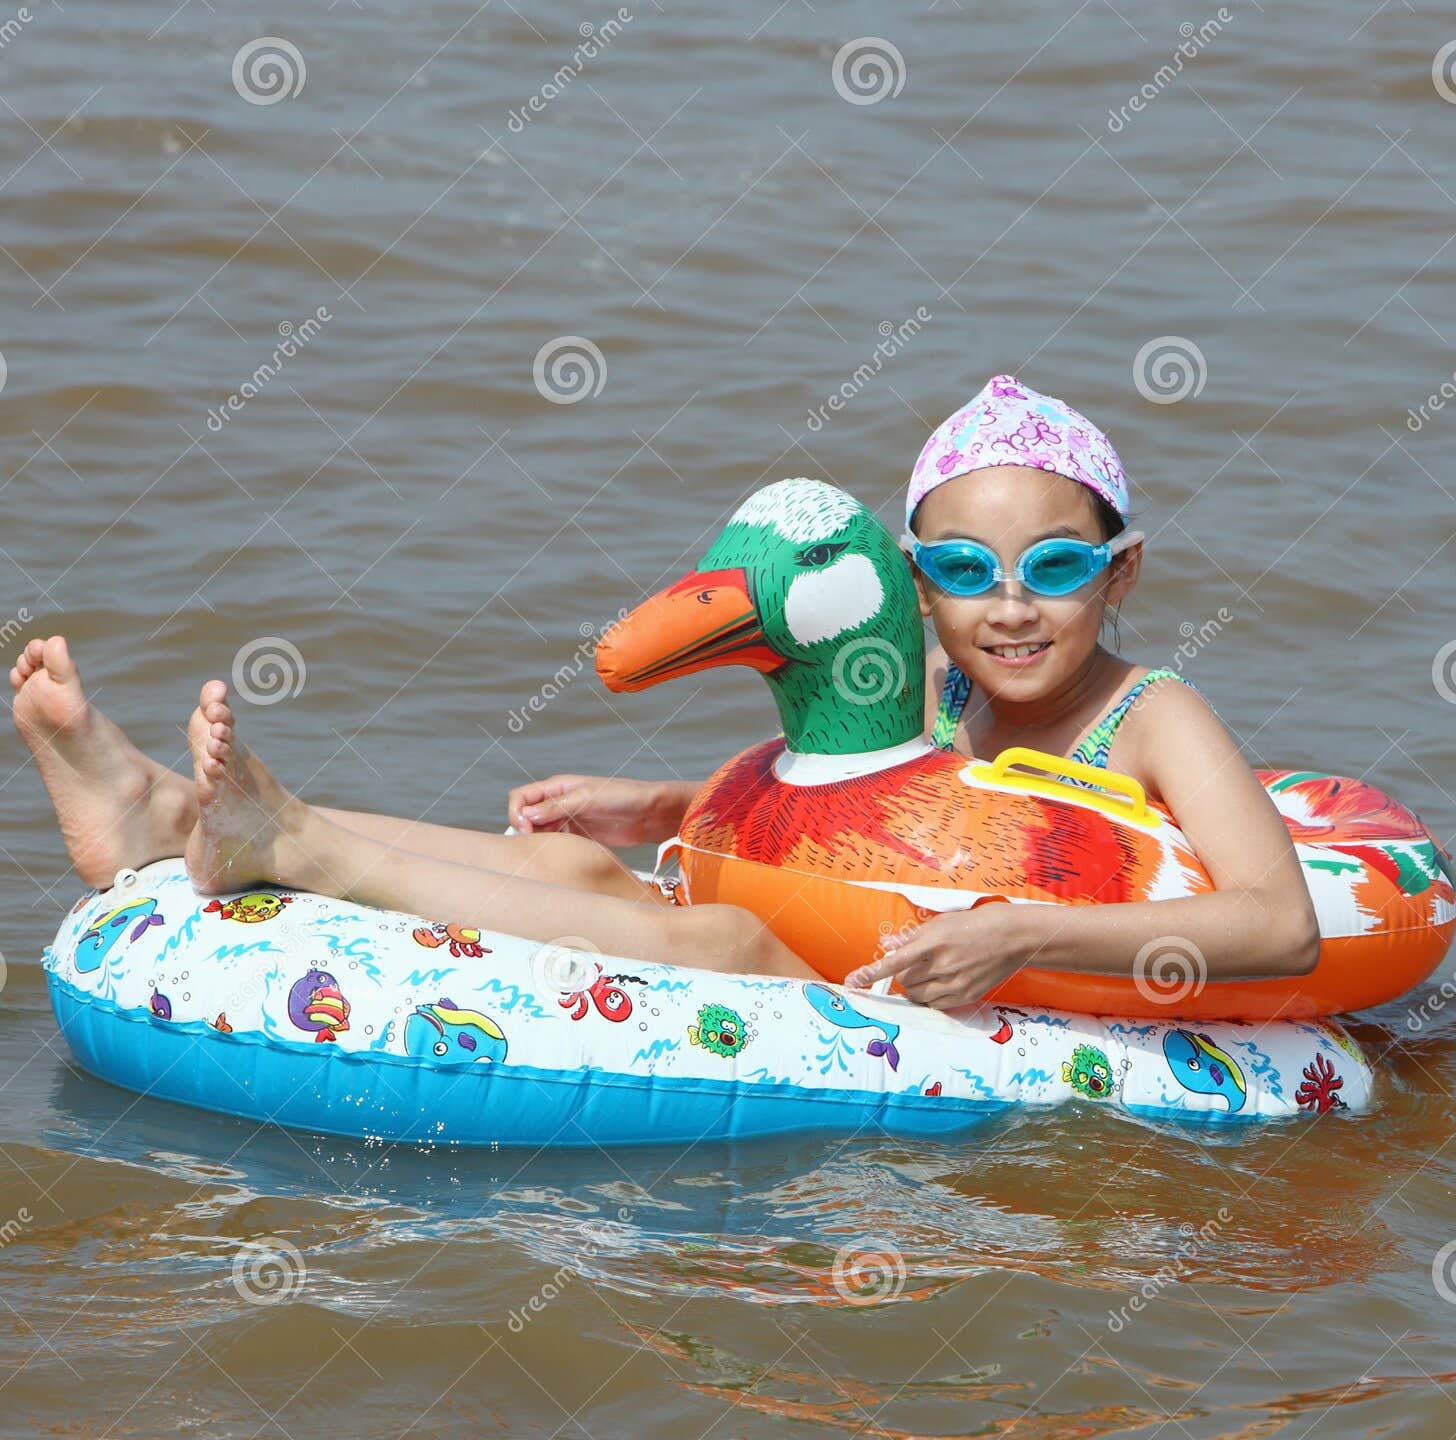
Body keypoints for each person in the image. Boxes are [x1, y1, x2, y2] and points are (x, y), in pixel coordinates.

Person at [509, 373, 1321, 1010]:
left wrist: (1024, 935)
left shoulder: (1152, 719)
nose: (1011, 610)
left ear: (1121, 572)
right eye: (966, 570)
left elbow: (1283, 926)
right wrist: (660, 808)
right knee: (585, 877)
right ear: (918, 587)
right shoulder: (941, 693)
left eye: (1056, 567)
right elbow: (846, 816)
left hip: (1089, 1005)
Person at [8, 636, 809, 980]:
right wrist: (668, 809)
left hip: (901, 995)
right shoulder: (924, 680)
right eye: (933, 568)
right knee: (575, 863)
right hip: (819, 912)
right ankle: (169, 816)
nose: (939, 595)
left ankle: (294, 840)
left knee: (727, 942)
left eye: (948, 569)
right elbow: (859, 791)